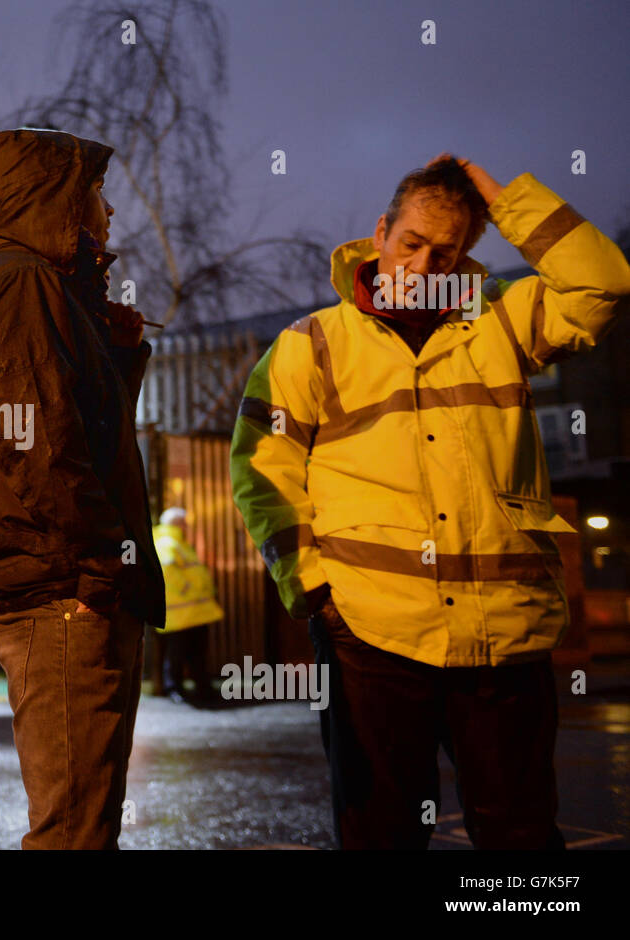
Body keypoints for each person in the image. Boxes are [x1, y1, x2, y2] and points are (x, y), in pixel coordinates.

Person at [230, 155, 630, 850]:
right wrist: (314, 593)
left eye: (446, 252)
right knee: (381, 835)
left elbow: (605, 282)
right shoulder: (312, 345)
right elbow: (263, 467)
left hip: (506, 635)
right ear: (381, 232)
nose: (421, 265)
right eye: (411, 242)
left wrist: (505, 199)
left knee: (522, 836)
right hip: (371, 633)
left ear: (469, 253)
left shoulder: (504, 322)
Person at [0, 127, 166, 850]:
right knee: (74, 832)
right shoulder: (22, 283)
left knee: (84, 824)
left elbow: (77, 431)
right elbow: (37, 448)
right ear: (62, 200)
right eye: (96, 193)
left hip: (69, 585)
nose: (109, 211)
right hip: (64, 591)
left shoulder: (45, 290)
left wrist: (117, 354)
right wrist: (102, 563)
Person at [152, 506, 224, 705]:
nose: (187, 526)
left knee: (192, 652)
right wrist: (189, 590)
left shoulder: (176, 542)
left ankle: (198, 688)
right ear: (178, 524)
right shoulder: (169, 542)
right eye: (184, 523)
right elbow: (167, 570)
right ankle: (176, 689)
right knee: (180, 653)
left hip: (192, 611)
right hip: (183, 610)